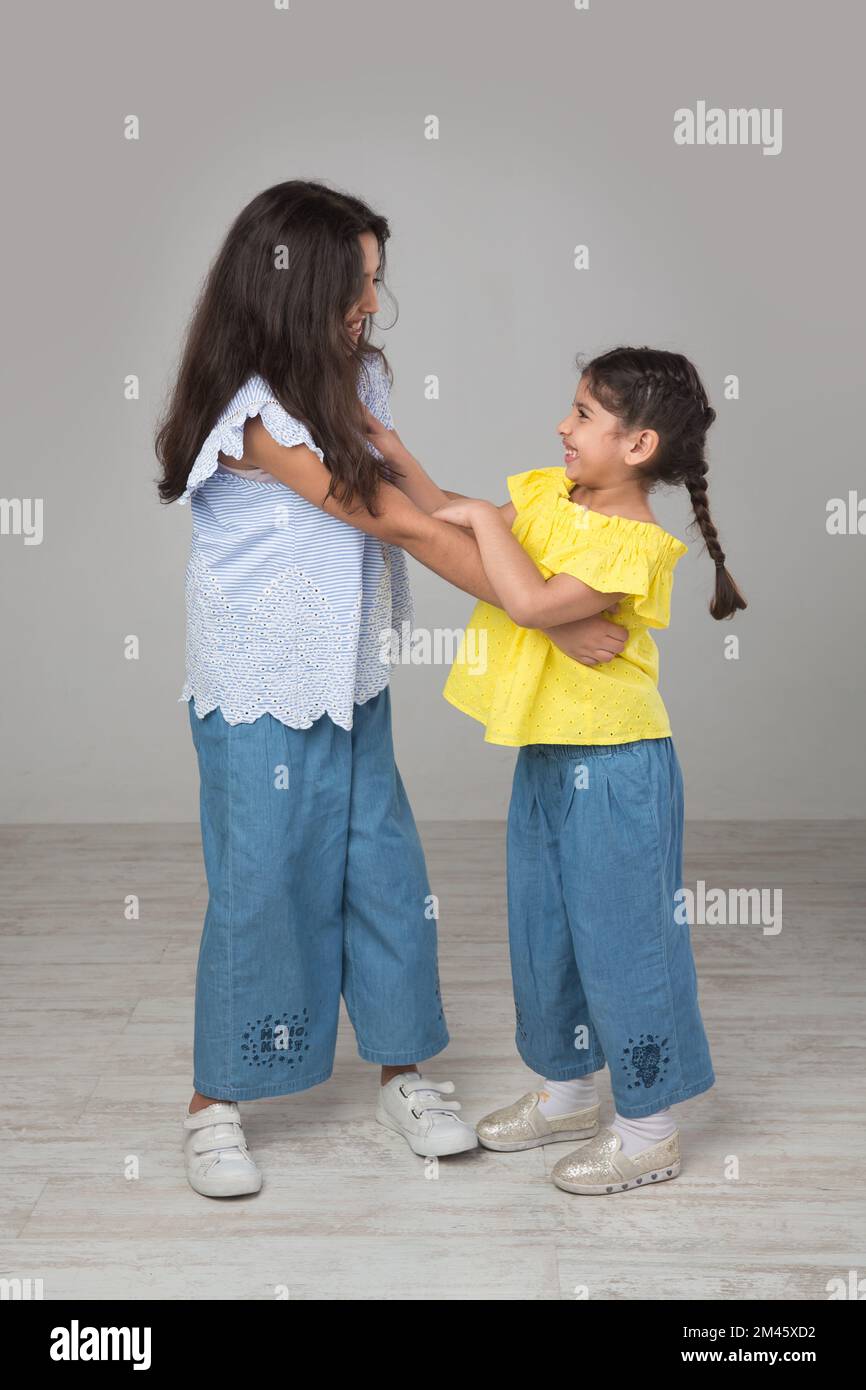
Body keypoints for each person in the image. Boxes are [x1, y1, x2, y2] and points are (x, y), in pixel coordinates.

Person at [155, 179, 628, 1196]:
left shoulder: (352, 380)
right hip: (259, 685)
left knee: (383, 871)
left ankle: (402, 1072)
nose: (372, 301)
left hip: (349, 671)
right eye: (358, 282)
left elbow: (439, 511)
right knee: (262, 881)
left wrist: (542, 590)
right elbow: (398, 524)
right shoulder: (249, 412)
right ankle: (215, 1099)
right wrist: (547, 612)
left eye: (375, 280)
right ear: (295, 286)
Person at [387, 345, 746, 1195]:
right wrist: (389, 448)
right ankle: (568, 1093)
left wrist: (480, 521)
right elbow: (445, 511)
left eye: (584, 413)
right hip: (549, 754)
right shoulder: (554, 494)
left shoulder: (638, 544)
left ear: (639, 445)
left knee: (626, 944)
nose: (562, 423)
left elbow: (531, 599)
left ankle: (649, 1128)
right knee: (544, 933)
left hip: (618, 764)